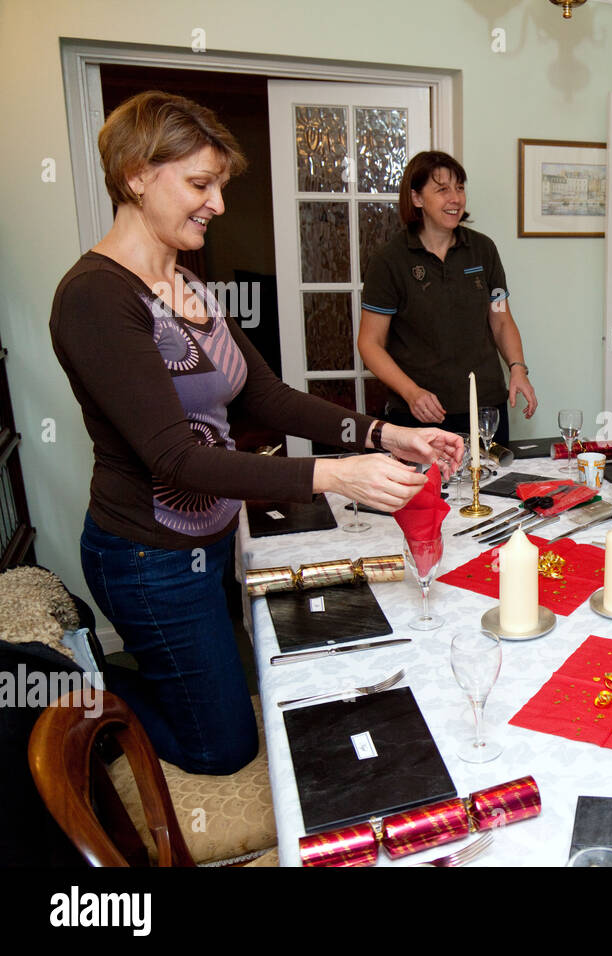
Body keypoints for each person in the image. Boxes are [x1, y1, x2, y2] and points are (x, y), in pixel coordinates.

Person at [50, 92, 463, 775]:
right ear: (134, 174)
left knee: (233, 695)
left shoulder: (184, 281)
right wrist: (334, 474)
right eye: (199, 184)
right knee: (226, 748)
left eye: (219, 186)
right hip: (148, 558)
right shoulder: (97, 296)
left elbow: (265, 396)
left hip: (209, 542)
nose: (216, 203)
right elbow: (178, 459)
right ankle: (90, 697)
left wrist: (383, 434)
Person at [358, 151, 537, 445]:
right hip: (419, 414)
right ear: (417, 198)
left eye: (460, 188)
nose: (455, 198)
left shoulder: (483, 250)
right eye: (442, 189)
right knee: (425, 491)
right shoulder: (389, 260)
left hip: (485, 410)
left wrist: (518, 368)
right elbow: (370, 342)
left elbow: (501, 320)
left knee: (491, 489)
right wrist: (410, 392)